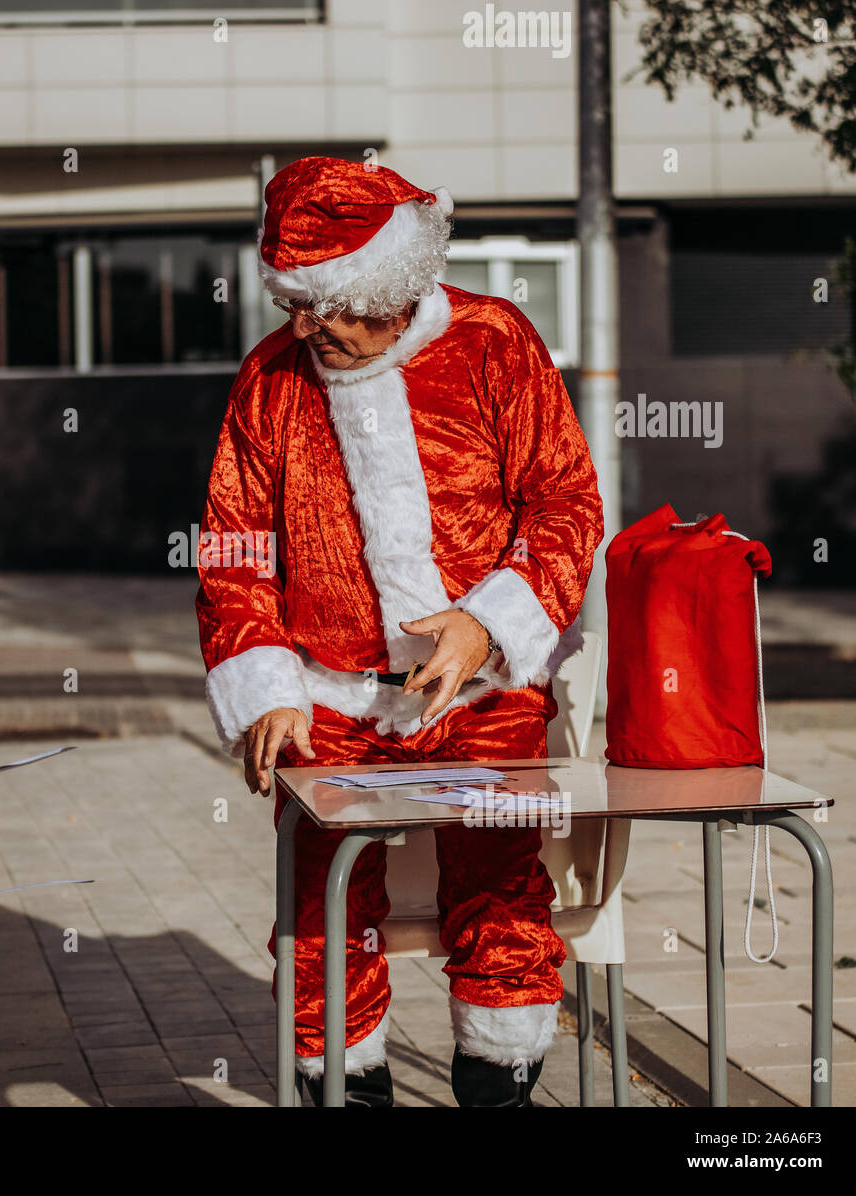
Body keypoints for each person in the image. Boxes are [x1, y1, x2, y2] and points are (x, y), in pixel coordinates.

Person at [195, 156, 604, 1107]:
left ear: (387, 285)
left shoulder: (494, 342)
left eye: (329, 304)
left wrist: (487, 625)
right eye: (294, 304)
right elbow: (233, 550)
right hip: (330, 697)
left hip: (484, 687)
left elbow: (565, 503)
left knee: (502, 869)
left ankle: (498, 1077)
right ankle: (348, 1083)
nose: (308, 329)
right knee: (316, 894)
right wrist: (266, 691)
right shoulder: (269, 378)